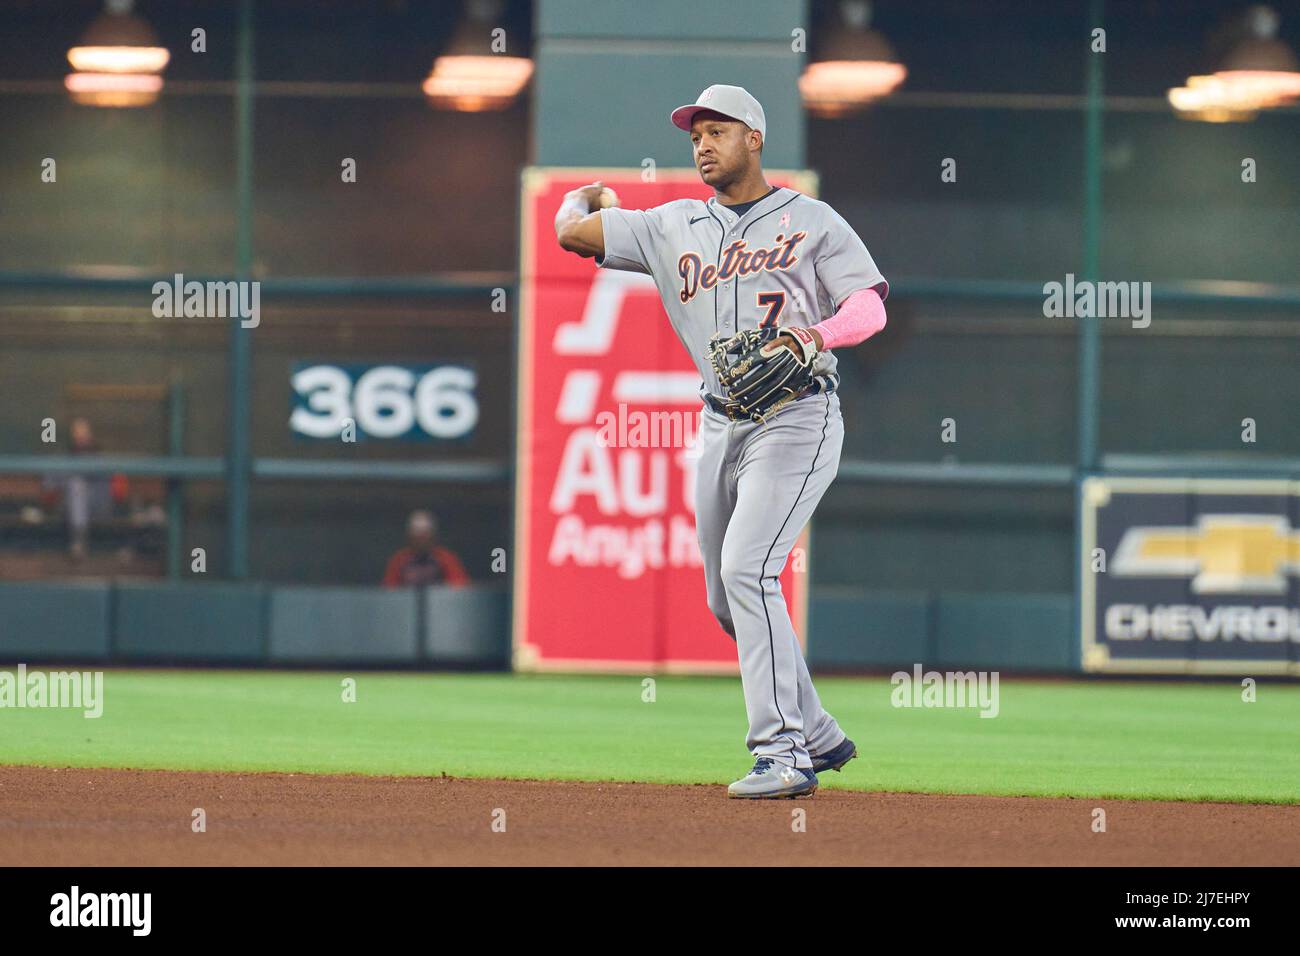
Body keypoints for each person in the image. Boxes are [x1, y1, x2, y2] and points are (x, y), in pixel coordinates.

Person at [555, 84, 889, 798]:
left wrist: (815, 333)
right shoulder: (671, 225)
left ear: (755, 138)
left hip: (798, 416)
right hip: (720, 420)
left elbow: (867, 307)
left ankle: (784, 754)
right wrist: (582, 197)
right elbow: (570, 232)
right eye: (695, 135)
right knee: (722, 595)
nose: (702, 145)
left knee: (748, 570)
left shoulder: (812, 220)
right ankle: (820, 731)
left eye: (717, 131)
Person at [382, 510, 469, 588]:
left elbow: (460, 588)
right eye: (417, 537)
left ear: (433, 537)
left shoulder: (446, 558)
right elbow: (389, 592)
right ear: (409, 538)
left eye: (425, 536)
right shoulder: (399, 560)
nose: (421, 542)